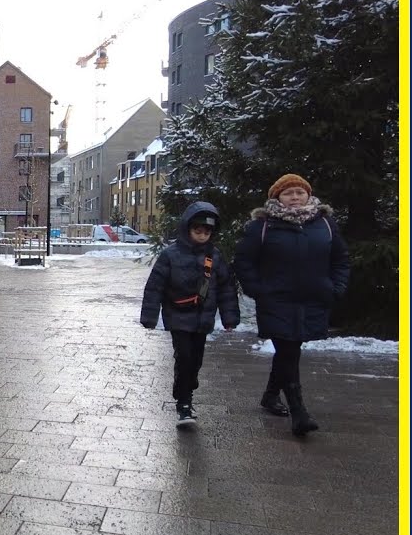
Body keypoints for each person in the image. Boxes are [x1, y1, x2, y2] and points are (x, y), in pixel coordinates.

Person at [234, 174, 350, 437]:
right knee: (287, 348)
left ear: (308, 195)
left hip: (312, 299)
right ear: (277, 198)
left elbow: (340, 258)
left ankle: (270, 395)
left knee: (291, 346)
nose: (295, 198)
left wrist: (336, 288)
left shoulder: (325, 224)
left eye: (300, 192)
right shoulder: (262, 227)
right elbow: (244, 261)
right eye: (288, 194)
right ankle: (299, 412)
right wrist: (257, 290)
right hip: (276, 299)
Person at [141, 201, 240, 427]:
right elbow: (155, 286)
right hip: (178, 315)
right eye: (198, 230)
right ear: (187, 228)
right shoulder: (170, 255)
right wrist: (149, 317)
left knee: (195, 360)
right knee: (184, 356)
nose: (202, 235)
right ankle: (184, 403)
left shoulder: (214, 257)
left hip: (203, 319)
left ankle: (185, 384)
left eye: (207, 232)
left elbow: (225, 287)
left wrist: (229, 317)